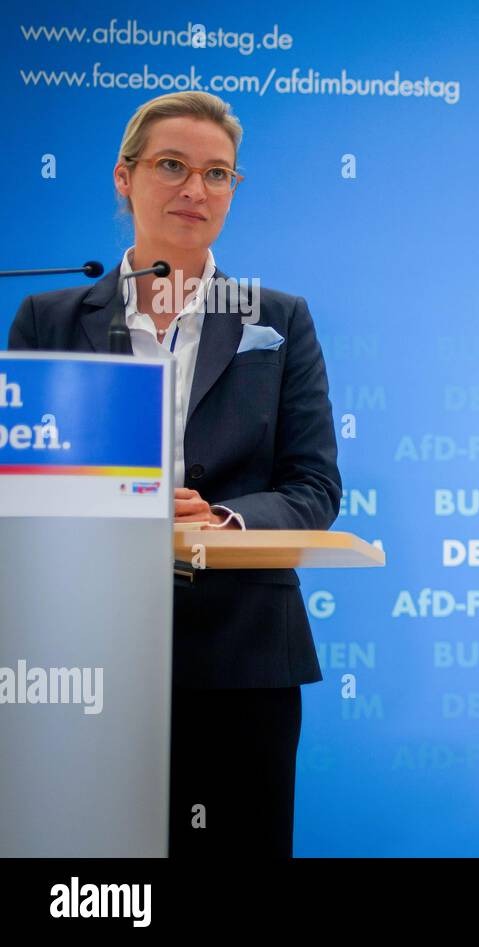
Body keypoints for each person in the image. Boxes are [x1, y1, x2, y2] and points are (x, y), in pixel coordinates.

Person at [7, 91, 341, 857]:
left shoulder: (278, 318)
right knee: (94, 885)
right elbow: (23, 482)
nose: (197, 190)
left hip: (243, 655)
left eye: (218, 174)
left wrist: (218, 518)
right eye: (173, 166)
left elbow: (314, 484)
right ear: (124, 179)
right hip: (83, 655)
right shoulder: (48, 318)